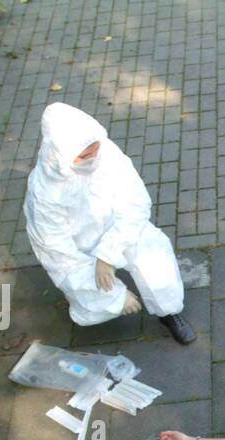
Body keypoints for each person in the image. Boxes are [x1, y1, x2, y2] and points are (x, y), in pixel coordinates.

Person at [23, 102, 196, 345]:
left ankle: (168, 311)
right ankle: (111, 302)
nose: (94, 157)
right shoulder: (44, 194)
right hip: (80, 246)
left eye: (95, 149)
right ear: (62, 154)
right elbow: (57, 253)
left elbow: (135, 204)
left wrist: (108, 254)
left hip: (119, 228)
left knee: (154, 254)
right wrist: (116, 297)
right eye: (85, 155)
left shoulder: (106, 153)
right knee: (84, 286)